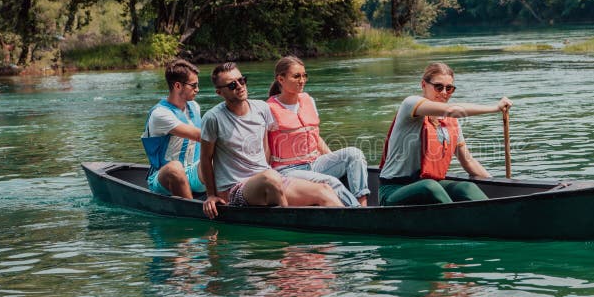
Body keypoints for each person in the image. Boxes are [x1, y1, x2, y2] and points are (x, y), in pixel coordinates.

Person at [200, 62, 343, 219]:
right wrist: (211, 195)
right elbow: (206, 159)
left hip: (270, 179)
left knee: (324, 189)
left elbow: (266, 147)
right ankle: (290, 228)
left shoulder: (262, 108)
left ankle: (347, 231)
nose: (240, 86)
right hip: (234, 189)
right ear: (220, 92)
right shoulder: (213, 118)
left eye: (242, 80)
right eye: (232, 85)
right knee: (270, 178)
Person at [378, 62, 513, 206]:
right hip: (393, 191)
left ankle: (495, 213)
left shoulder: (450, 122)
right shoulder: (410, 104)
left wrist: (500, 184)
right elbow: (451, 109)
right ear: (424, 85)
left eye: (449, 88)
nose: (444, 92)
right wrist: (494, 108)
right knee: (429, 186)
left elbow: (468, 161)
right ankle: (462, 219)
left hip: (430, 188)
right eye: (438, 87)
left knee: (466, 187)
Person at [267, 56, 370, 206]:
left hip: (315, 163)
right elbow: (264, 148)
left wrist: (332, 158)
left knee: (355, 154)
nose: (302, 80)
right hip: (288, 171)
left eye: (304, 76)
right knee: (331, 182)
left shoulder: (308, 100)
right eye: (296, 76)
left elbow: (315, 136)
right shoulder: (268, 109)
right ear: (280, 79)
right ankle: (357, 213)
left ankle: (364, 205)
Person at [141, 59, 205, 199]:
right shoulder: (160, 114)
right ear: (177, 86)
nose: (197, 90)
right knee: (175, 168)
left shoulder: (194, 106)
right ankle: (191, 211)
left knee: (220, 161)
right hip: (164, 178)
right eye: (193, 86)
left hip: (191, 173)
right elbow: (201, 136)